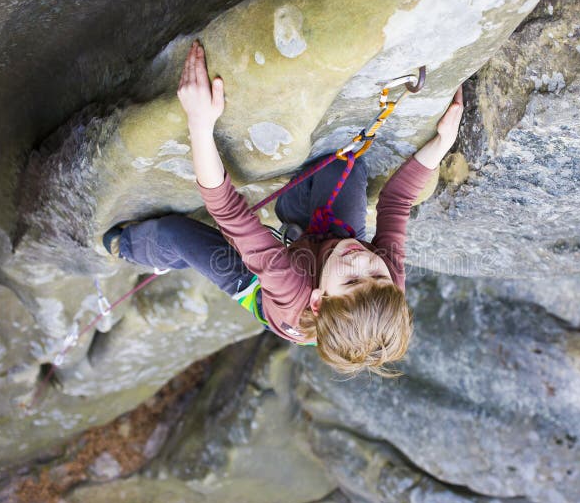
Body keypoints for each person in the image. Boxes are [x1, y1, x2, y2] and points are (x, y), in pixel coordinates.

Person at [104, 40, 464, 376]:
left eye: (353, 280)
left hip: (261, 288)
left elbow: (228, 211)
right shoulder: (386, 280)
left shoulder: (289, 288)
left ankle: (129, 246)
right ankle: (295, 220)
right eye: (377, 274)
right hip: (324, 247)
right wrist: (442, 143)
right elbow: (396, 202)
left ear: (320, 302)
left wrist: (200, 122)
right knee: (343, 165)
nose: (364, 261)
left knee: (176, 234)